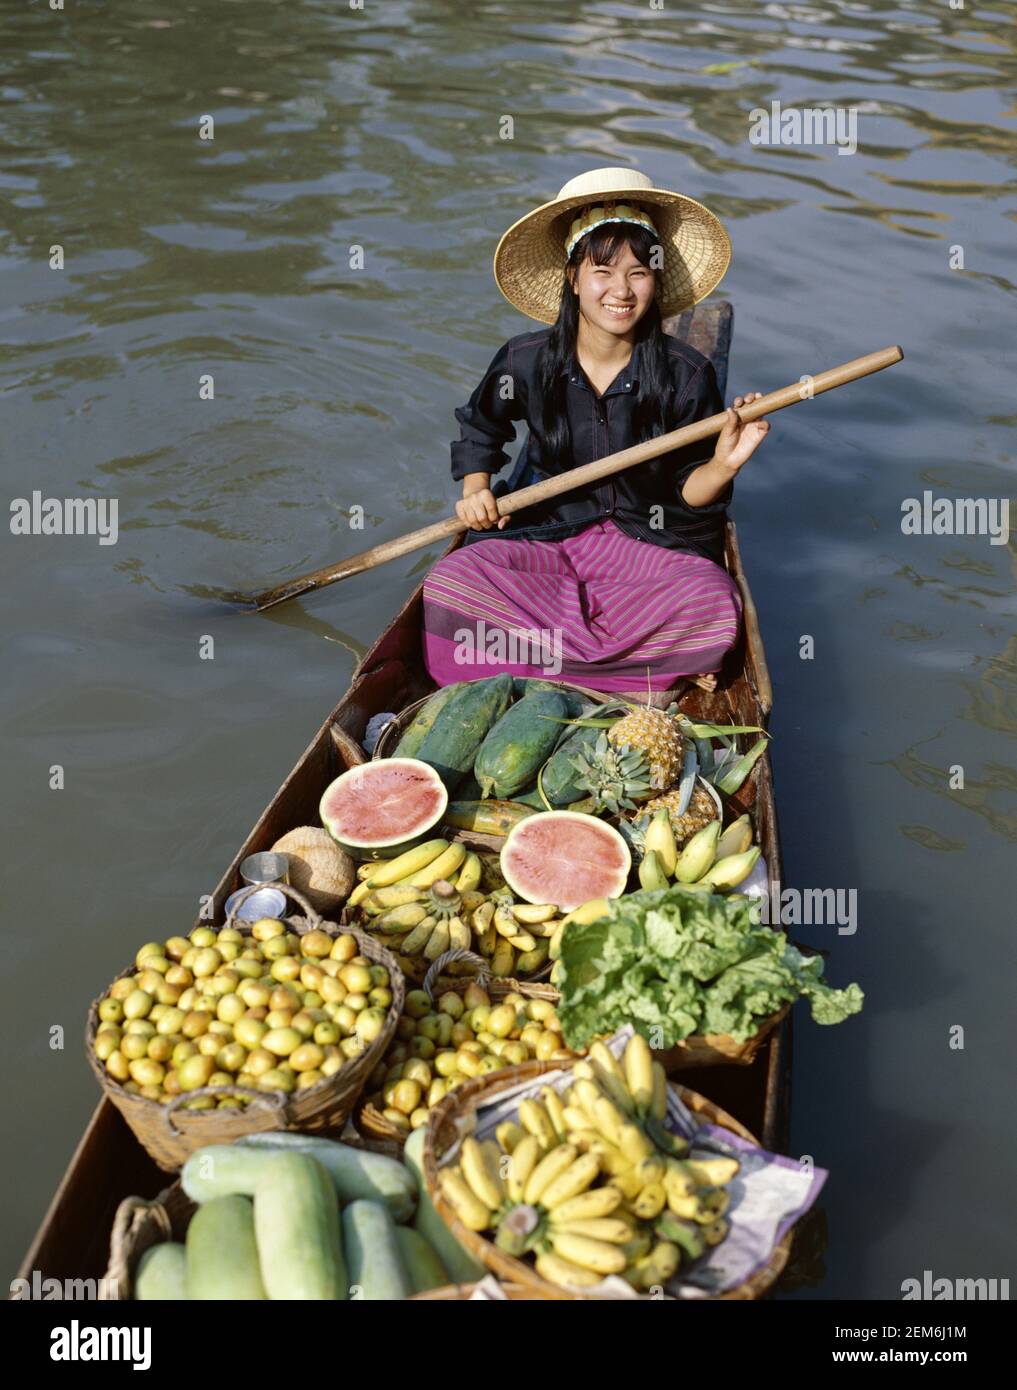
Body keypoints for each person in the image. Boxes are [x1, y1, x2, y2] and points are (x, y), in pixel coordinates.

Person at [422, 166, 769, 698]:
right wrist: (476, 492)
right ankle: (638, 676)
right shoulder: (527, 359)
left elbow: (690, 492)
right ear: (573, 277)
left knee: (713, 601)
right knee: (453, 583)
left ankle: (542, 666)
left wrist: (724, 464)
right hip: (548, 536)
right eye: (603, 271)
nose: (621, 291)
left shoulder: (685, 374)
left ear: (656, 279)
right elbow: (481, 424)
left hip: (648, 547)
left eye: (639, 272)